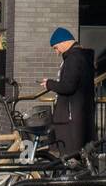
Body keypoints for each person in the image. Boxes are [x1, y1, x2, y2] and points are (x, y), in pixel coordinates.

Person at [39, 27, 95, 156]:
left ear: (64, 42)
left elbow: (68, 86)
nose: (56, 52)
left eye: (56, 47)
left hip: (70, 118)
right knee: (79, 155)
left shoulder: (73, 59)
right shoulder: (82, 57)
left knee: (70, 155)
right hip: (79, 115)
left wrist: (49, 84)